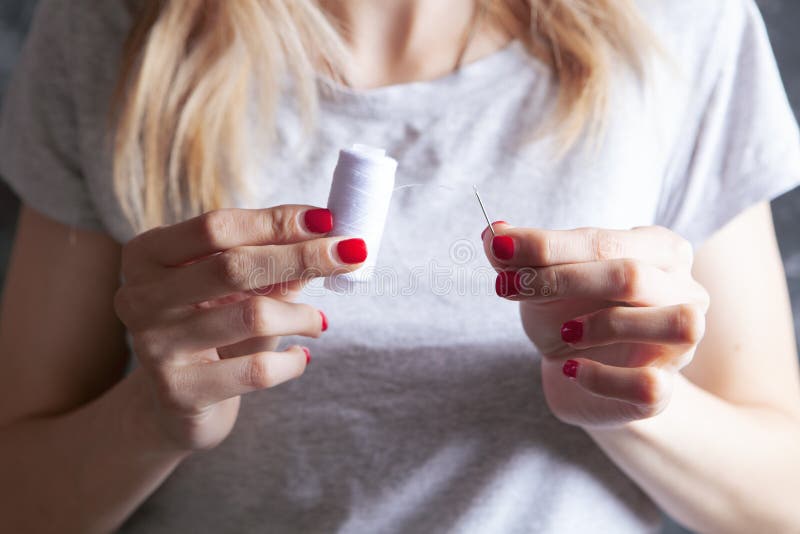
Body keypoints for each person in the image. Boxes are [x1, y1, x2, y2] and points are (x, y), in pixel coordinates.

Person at [1, 0, 800, 532]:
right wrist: (156, 415)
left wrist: (626, 394)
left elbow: (782, 500)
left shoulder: (681, 22)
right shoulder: (112, 31)